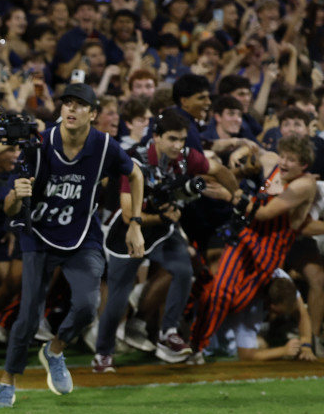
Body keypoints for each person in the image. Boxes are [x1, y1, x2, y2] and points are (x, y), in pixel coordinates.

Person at [0, 84, 144, 408]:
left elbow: (136, 173)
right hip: (39, 234)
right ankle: (8, 380)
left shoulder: (103, 146)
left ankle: (55, 349)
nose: (71, 109)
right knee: (29, 315)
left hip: (81, 235)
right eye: (67, 104)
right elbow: (9, 208)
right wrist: (16, 195)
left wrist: (135, 224)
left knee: (89, 305)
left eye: (80, 105)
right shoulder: (38, 145)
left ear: (94, 113)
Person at [94, 113, 238, 371]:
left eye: (181, 139)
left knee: (184, 270)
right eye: (171, 139)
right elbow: (128, 214)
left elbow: (218, 169)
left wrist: (237, 194)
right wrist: (161, 215)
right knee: (117, 297)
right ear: (156, 137)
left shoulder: (185, 156)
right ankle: (103, 352)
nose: (177, 145)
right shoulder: (134, 160)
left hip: (161, 227)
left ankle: (168, 332)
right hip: (128, 230)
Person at [189, 136, 323, 359]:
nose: (285, 162)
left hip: (271, 248)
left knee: (238, 299)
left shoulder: (304, 185)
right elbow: (256, 150)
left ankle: (308, 342)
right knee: (221, 292)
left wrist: (229, 196)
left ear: (304, 166)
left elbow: (264, 213)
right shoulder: (272, 161)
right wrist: (241, 150)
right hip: (245, 235)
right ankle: (196, 347)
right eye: (284, 156)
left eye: (292, 160)